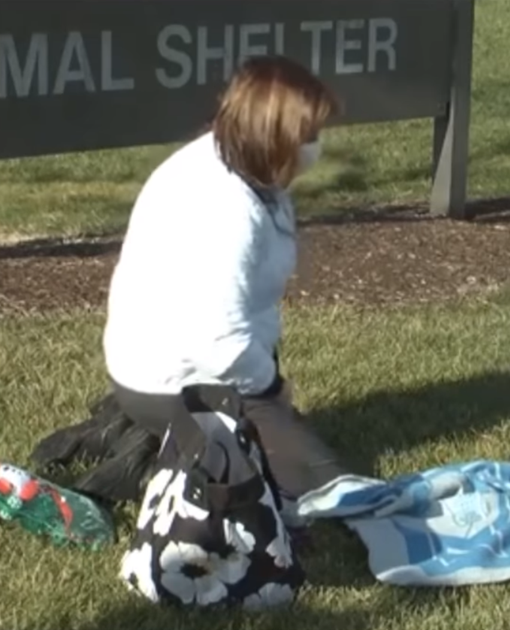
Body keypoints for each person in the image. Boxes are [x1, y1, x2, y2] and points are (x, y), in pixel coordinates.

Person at [101, 55, 349, 512]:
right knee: (323, 490)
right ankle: (176, 444)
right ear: (276, 134)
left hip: (169, 359)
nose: (316, 145)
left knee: (294, 455)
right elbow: (219, 343)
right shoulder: (226, 209)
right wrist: (272, 389)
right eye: (309, 135)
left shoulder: (235, 163)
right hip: (177, 375)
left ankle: (190, 436)